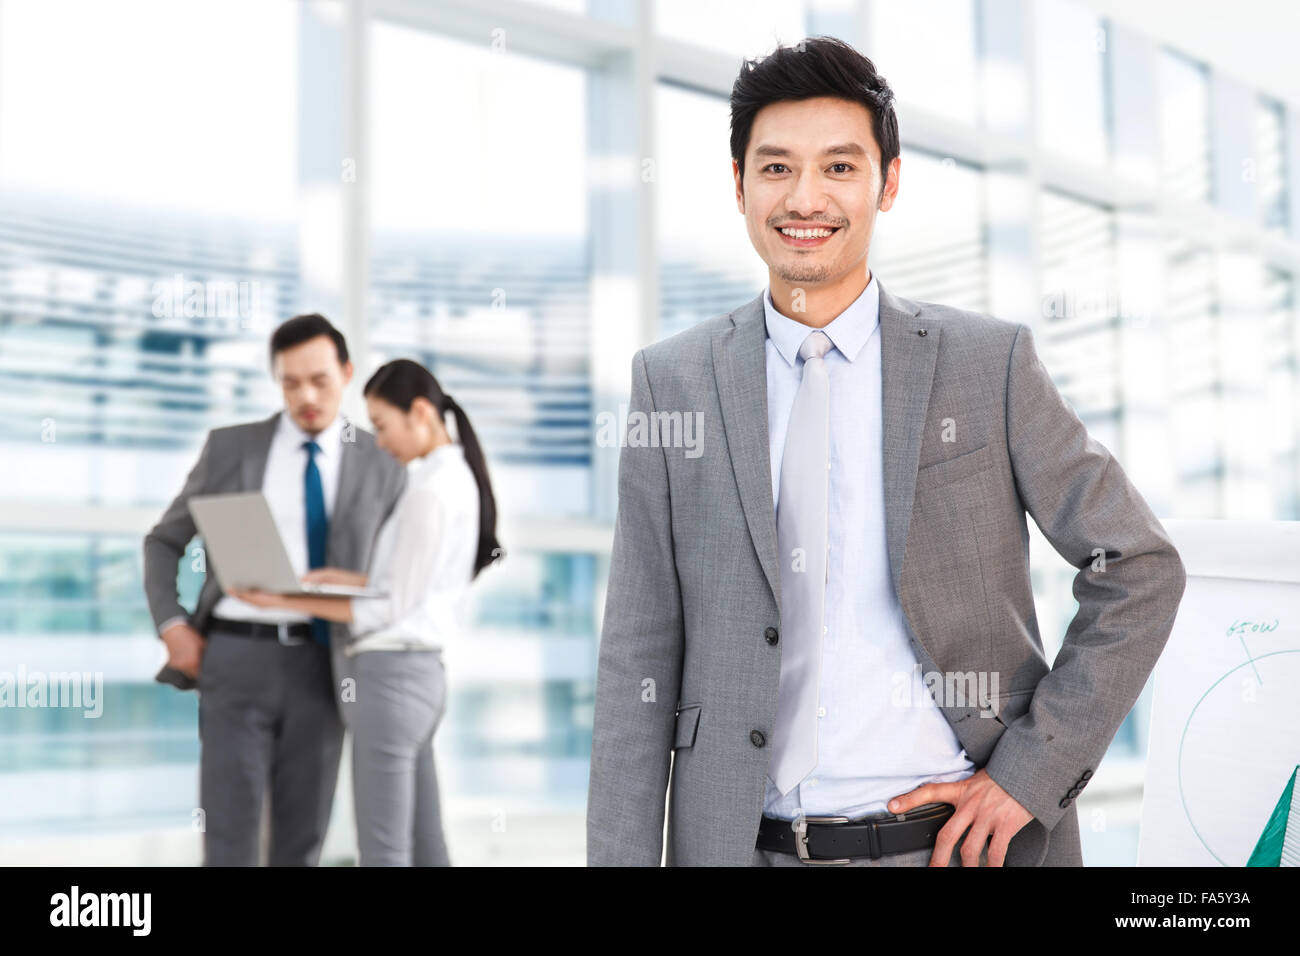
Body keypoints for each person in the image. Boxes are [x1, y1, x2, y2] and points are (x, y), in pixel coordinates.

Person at [586, 36, 1187, 867]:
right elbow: (635, 662)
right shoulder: (672, 382)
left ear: (887, 182)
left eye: (839, 167)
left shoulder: (986, 365)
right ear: (738, 185)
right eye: (775, 168)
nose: (805, 197)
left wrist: (1026, 774)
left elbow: (1139, 566)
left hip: (954, 850)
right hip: (742, 848)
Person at [143, 313, 406, 866]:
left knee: (301, 840)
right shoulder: (231, 449)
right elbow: (164, 542)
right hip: (235, 657)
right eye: (290, 383)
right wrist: (174, 627)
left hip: (326, 665)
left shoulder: (381, 459)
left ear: (347, 373)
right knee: (230, 839)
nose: (306, 396)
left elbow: (395, 574)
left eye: (320, 381)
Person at [230, 358, 502, 866]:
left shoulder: (429, 491)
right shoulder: (453, 480)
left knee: (382, 851)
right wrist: (334, 579)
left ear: (419, 412)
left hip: (390, 680)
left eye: (381, 426)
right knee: (424, 844)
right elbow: (405, 587)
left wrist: (283, 599)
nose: (379, 441)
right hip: (419, 676)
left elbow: (386, 609)